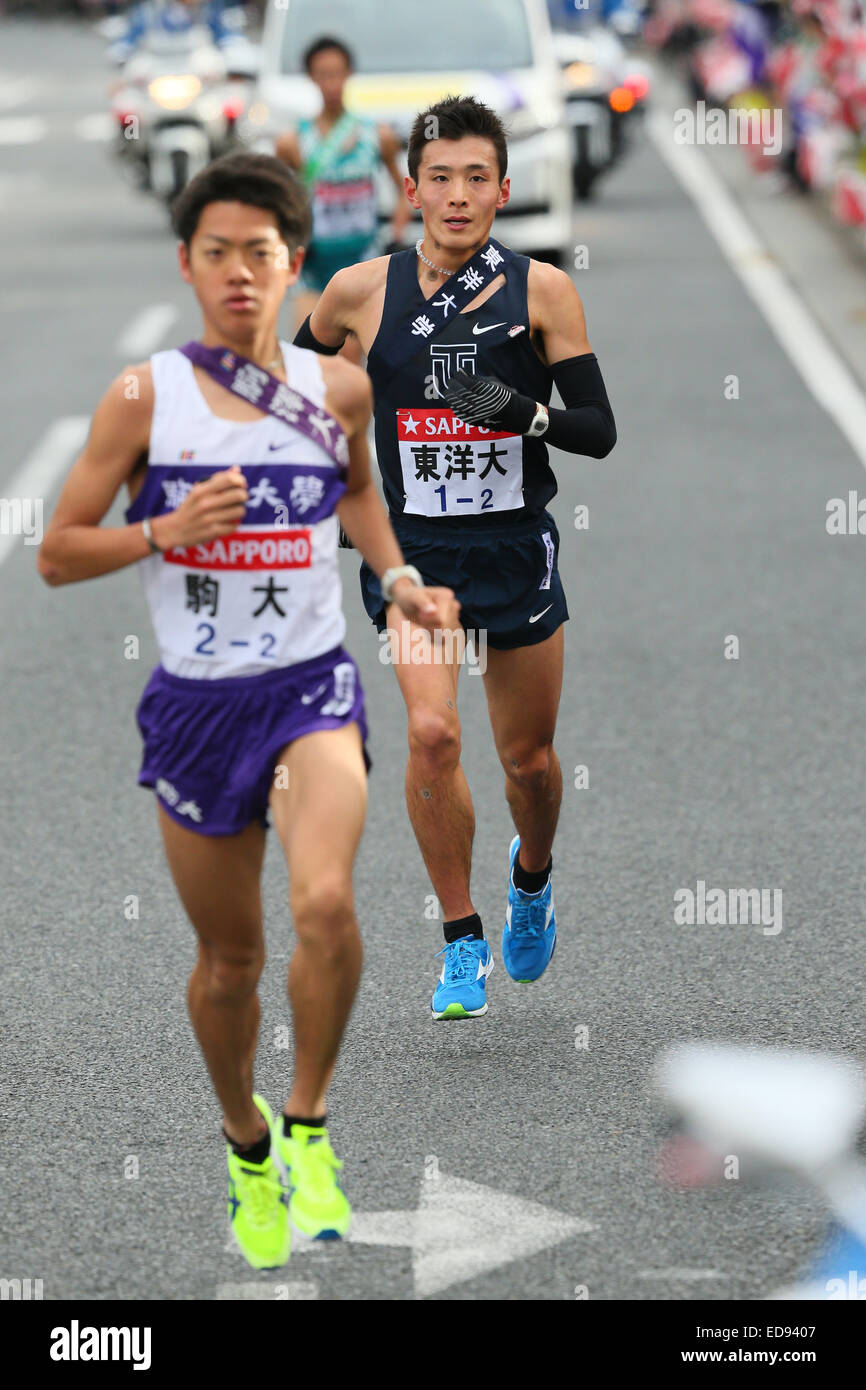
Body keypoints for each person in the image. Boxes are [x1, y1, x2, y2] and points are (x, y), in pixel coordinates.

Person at [37, 152, 453, 1267]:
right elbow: (55, 554)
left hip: (308, 687)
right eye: (215, 253)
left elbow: (358, 488)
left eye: (258, 254)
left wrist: (400, 576)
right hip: (194, 706)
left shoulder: (340, 390)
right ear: (186, 264)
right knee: (231, 961)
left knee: (325, 904)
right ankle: (244, 1136)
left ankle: (309, 1120)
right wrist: (160, 534)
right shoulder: (145, 398)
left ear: (291, 265)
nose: (237, 273)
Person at [294, 95, 616, 1020]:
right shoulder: (357, 291)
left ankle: (533, 874)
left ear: (504, 189)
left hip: (514, 546)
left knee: (532, 765)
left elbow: (598, 431)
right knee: (432, 734)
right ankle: (459, 936)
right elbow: (299, 389)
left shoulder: (542, 291)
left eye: (478, 178)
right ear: (413, 189)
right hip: (414, 553)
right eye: (441, 178)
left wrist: (522, 415)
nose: (459, 194)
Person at [275, 36, 410, 364]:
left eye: (337, 72)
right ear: (311, 77)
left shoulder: (376, 136)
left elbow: (405, 189)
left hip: (361, 262)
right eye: (323, 74)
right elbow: (277, 202)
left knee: (349, 360)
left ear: (349, 74)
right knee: (308, 358)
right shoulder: (293, 142)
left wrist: (395, 235)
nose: (331, 82)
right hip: (313, 268)